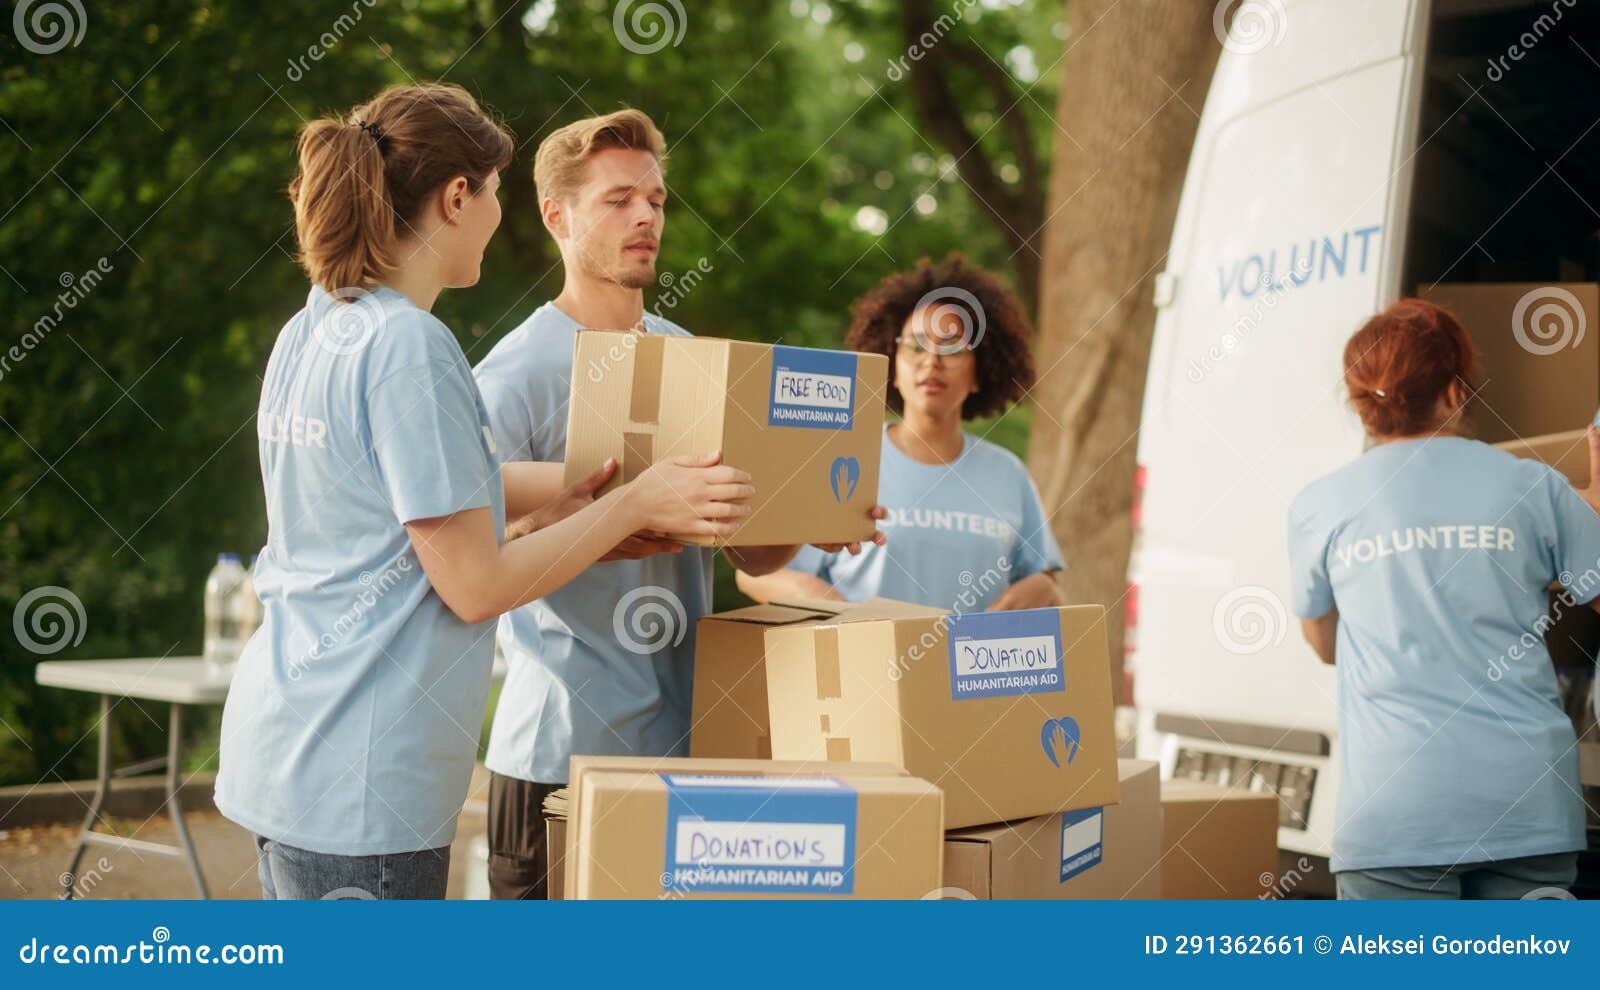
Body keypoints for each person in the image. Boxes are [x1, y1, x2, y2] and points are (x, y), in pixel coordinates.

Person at [214, 86, 752, 900]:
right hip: (364, 776)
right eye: (497, 192)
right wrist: (633, 505)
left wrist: (582, 498)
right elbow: (474, 586)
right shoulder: (412, 346)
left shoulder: (317, 323)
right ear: (458, 198)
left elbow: (408, 496)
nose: (501, 219)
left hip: (285, 747)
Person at [472, 108, 883, 899]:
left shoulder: (691, 357)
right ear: (557, 217)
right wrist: (595, 520)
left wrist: (818, 516)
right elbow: (476, 565)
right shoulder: (512, 377)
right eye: (618, 200)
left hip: (686, 749)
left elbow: (746, 547)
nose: (646, 217)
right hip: (559, 759)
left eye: (656, 200)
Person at [1287, 297, 1600, 900]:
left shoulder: (1320, 505)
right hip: (1527, 808)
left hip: (1394, 817)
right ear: (1456, 392)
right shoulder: (1533, 485)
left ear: (1363, 402)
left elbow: (1324, 646)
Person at [737, 255, 1063, 613]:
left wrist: (1042, 585)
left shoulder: (1008, 474)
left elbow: (1043, 575)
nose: (932, 360)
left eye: (953, 347)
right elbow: (754, 573)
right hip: (862, 648)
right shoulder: (842, 457)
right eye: (916, 346)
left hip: (971, 652)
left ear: (980, 372)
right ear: (892, 363)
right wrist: (825, 602)